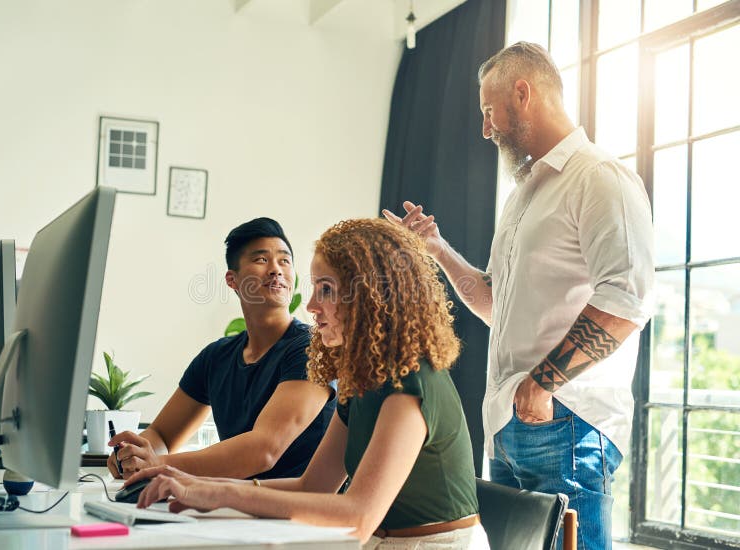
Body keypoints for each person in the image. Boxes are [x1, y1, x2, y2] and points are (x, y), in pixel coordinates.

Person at [383, 42, 654, 550]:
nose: (485, 129)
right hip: (509, 422)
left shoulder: (599, 177)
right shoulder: (523, 196)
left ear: (523, 94)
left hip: (567, 422)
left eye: (489, 111)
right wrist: (437, 249)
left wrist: (543, 383)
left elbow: (626, 301)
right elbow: (496, 304)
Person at [125, 218, 490, 549]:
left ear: (368, 297)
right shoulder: (362, 379)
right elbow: (313, 486)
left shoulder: (409, 382)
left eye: (326, 290)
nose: (312, 305)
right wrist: (199, 485)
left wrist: (222, 495)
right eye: (315, 288)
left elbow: (358, 517)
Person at [107, 217, 335, 481]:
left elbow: (264, 451)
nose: (276, 269)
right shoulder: (216, 357)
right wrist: (134, 455)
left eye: (285, 261)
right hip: (234, 499)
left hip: (294, 504)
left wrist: (157, 463)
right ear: (232, 280)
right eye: (262, 259)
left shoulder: (312, 347)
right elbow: (161, 436)